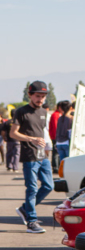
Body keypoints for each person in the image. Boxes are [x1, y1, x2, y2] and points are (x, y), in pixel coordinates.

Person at [10, 81, 52, 233]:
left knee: (49, 186)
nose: (40, 99)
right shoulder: (21, 112)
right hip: (29, 156)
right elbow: (13, 133)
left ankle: (24, 209)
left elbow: (42, 133)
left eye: (43, 96)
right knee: (32, 189)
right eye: (37, 96)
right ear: (30, 95)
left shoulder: (43, 112)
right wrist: (31, 139)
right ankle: (31, 221)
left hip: (43, 156)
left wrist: (47, 147)